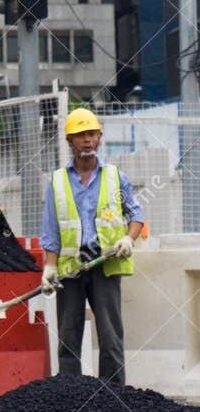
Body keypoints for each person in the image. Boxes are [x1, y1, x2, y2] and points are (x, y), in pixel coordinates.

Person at [40, 106, 143, 386]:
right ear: (70, 141)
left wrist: (128, 239)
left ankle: (113, 394)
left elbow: (136, 215)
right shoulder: (57, 181)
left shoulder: (115, 177)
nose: (87, 140)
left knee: (110, 337)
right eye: (80, 135)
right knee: (68, 337)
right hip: (71, 269)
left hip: (105, 265)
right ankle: (69, 394)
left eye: (92, 134)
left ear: (100, 138)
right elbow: (51, 229)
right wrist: (50, 267)